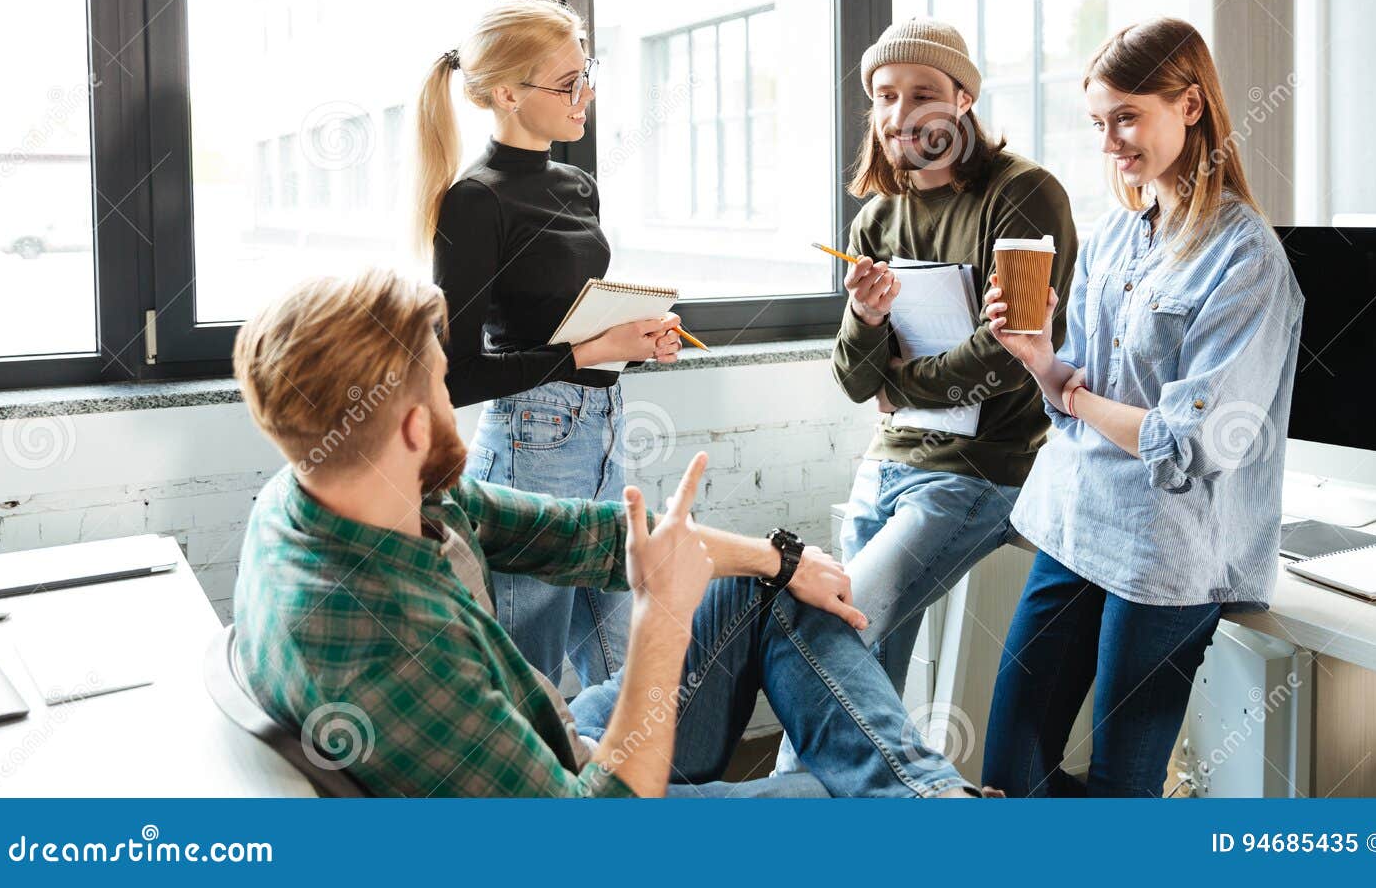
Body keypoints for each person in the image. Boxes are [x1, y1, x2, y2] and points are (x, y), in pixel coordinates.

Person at [230, 268, 977, 798]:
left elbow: (575, 533)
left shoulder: (331, 488)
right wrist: (660, 618)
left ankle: (936, 803)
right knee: (838, 795)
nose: (457, 399)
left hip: (558, 733)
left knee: (775, 586)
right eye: (441, 383)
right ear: (414, 425)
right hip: (590, 796)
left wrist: (777, 557)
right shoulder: (385, 643)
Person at [980, 17, 1304, 797]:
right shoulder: (1115, 235)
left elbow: (1189, 444)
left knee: (1122, 784)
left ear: (1190, 105)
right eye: (1099, 122)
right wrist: (1039, 357)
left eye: (1127, 116)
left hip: (1169, 553)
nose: (1109, 142)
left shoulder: (1246, 255)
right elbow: (1077, 392)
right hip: (1078, 516)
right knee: (1008, 768)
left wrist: (1078, 393)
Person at [777, 18, 1077, 774]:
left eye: (923, 94)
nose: (902, 113)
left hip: (978, 471)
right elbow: (852, 380)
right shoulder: (877, 216)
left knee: (832, 640)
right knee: (855, 655)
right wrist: (868, 316)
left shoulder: (1024, 195)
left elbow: (1011, 352)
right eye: (885, 96)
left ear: (964, 100)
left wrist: (900, 382)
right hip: (889, 463)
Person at [410, 0, 678, 687]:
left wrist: (633, 341)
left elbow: (567, 318)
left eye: (586, 74)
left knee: (620, 667)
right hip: (533, 443)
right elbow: (456, 374)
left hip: (602, 431)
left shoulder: (580, 185)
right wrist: (588, 352)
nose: (583, 95)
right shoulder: (475, 200)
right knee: (530, 671)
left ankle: (625, 792)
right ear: (505, 91)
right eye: (566, 83)